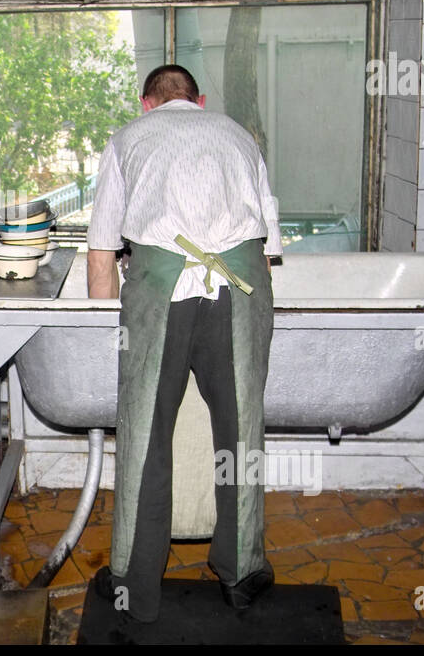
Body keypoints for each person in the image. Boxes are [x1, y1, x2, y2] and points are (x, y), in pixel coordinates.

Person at [87, 64, 283, 621]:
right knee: (241, 430)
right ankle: (241, 572)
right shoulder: (240, 135)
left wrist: (107, 327)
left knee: (146, 432)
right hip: (239, 288)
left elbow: (102, 250)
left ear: (147, 103)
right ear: (198, 100)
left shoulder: (129, 137)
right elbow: (267, 248)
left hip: (160, 290)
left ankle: (133, 582)